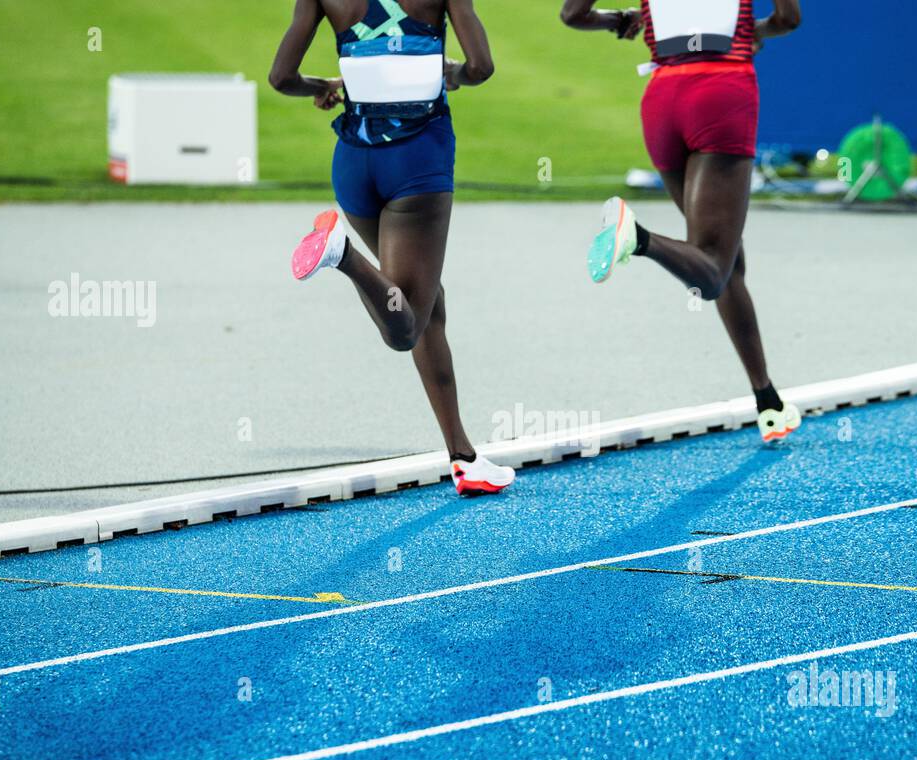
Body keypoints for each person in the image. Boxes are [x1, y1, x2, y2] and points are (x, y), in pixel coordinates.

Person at [270, 0, 515, 495]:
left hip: (354, 165)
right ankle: (343, 256)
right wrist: (455, 75)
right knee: (405, 328)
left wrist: (324, 86)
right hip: (417, 161)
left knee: (428, 304)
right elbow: (482, 67)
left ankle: (463, 457)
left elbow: (281, 77)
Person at [560, 0, 804, 442]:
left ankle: (766, 398)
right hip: (722, 94)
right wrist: (756, 32)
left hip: (663, 99)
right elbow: (788, 19)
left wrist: (618, 20)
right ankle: (636, 238)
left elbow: (573, 14)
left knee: (728, 263)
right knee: (711, 271)